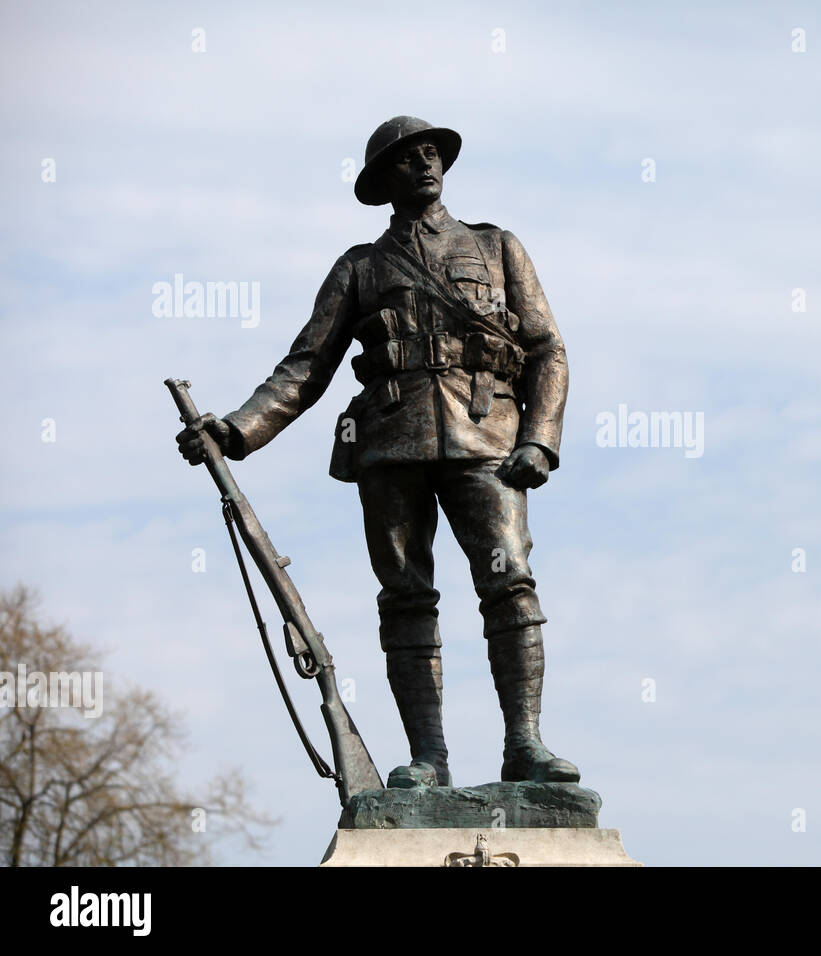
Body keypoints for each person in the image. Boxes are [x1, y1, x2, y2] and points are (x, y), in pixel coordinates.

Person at [177, 116, 578, 788]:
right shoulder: (359, 268)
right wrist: (238, 430)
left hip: (488, 441)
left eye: (432, 154)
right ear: (382, 180)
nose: (425, 164)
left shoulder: (496, 246)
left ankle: (525, 745)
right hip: (392, 447)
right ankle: (430, 758)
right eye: (408, 158)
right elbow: (305, 368)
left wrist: (540, 438)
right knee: (405, 597)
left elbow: (549, 351)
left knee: (510, 584)